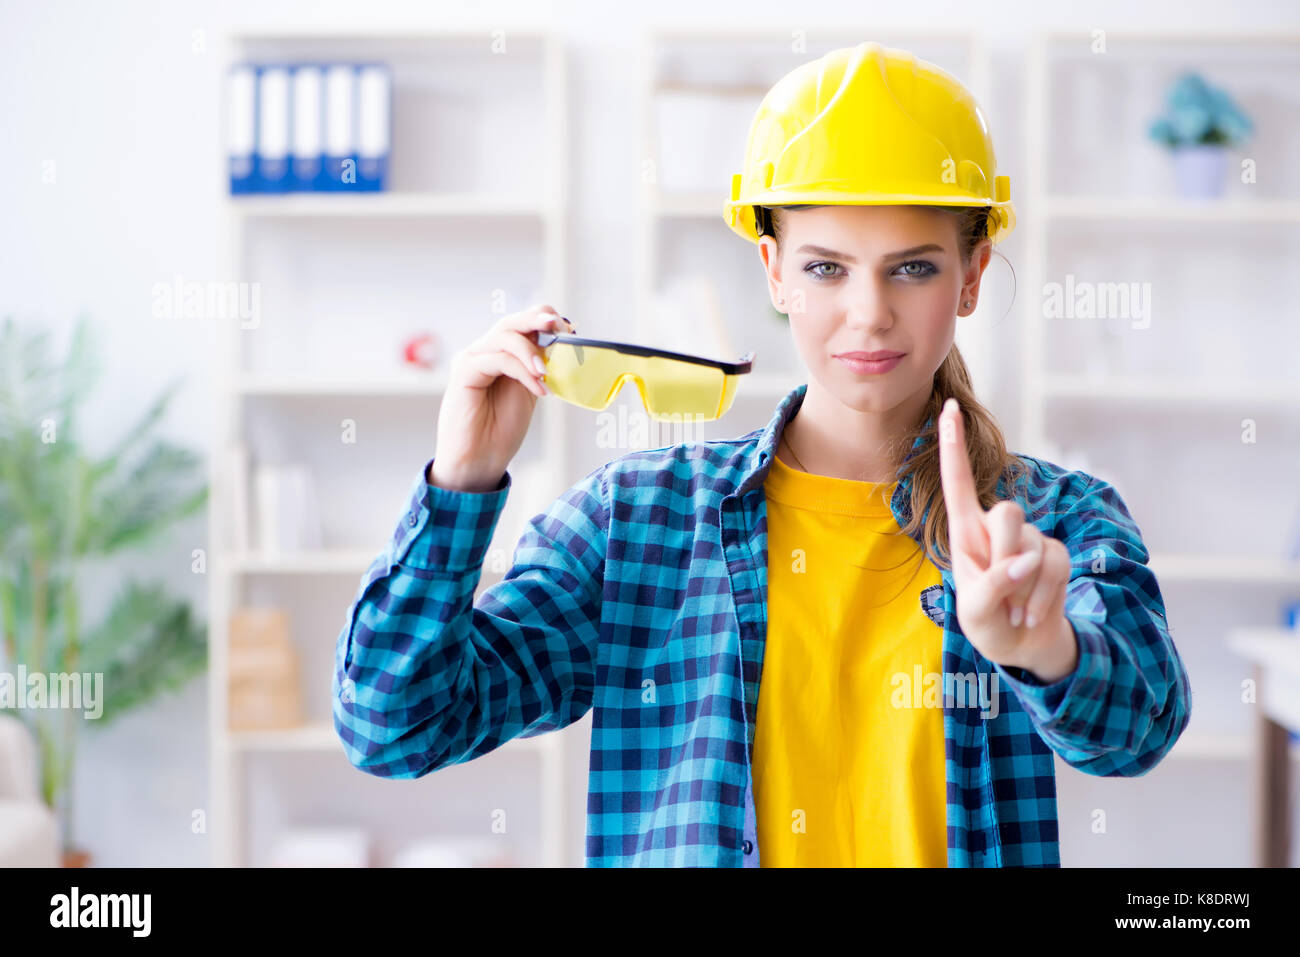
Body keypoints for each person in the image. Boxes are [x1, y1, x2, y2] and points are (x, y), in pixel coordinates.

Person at [332, 41, 1191, 867]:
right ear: (775, 271)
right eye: (826, 269)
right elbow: (393, 724)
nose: (868, 313)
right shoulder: (638, 524)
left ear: (972, 274)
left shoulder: (1052, 520)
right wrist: (462, 482)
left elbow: (1141, 731)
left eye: (912, 268)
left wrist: (1047, 649)